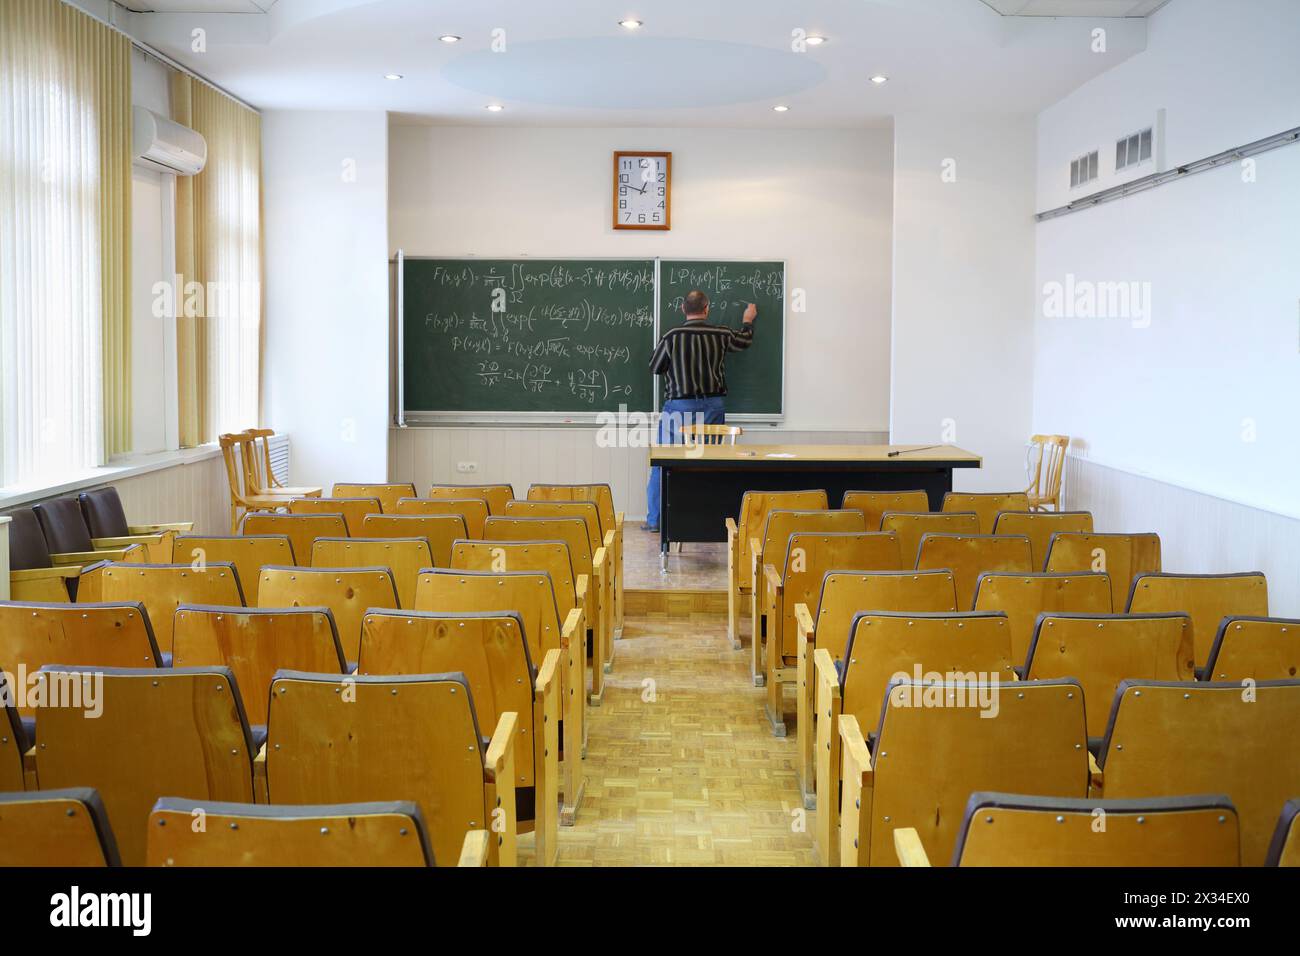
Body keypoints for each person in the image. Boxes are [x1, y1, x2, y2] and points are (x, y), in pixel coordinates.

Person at [644, 290, 757, 531]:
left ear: (684, 309)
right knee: (712, 461)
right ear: (706, 309)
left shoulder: (672, 336)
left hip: (679, 407)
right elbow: (745, 341)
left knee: (664, 462)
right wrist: (748, 319)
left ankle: (656, 521)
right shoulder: (721, 334)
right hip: (712, 406)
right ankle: (713, 520)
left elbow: (655, 366)